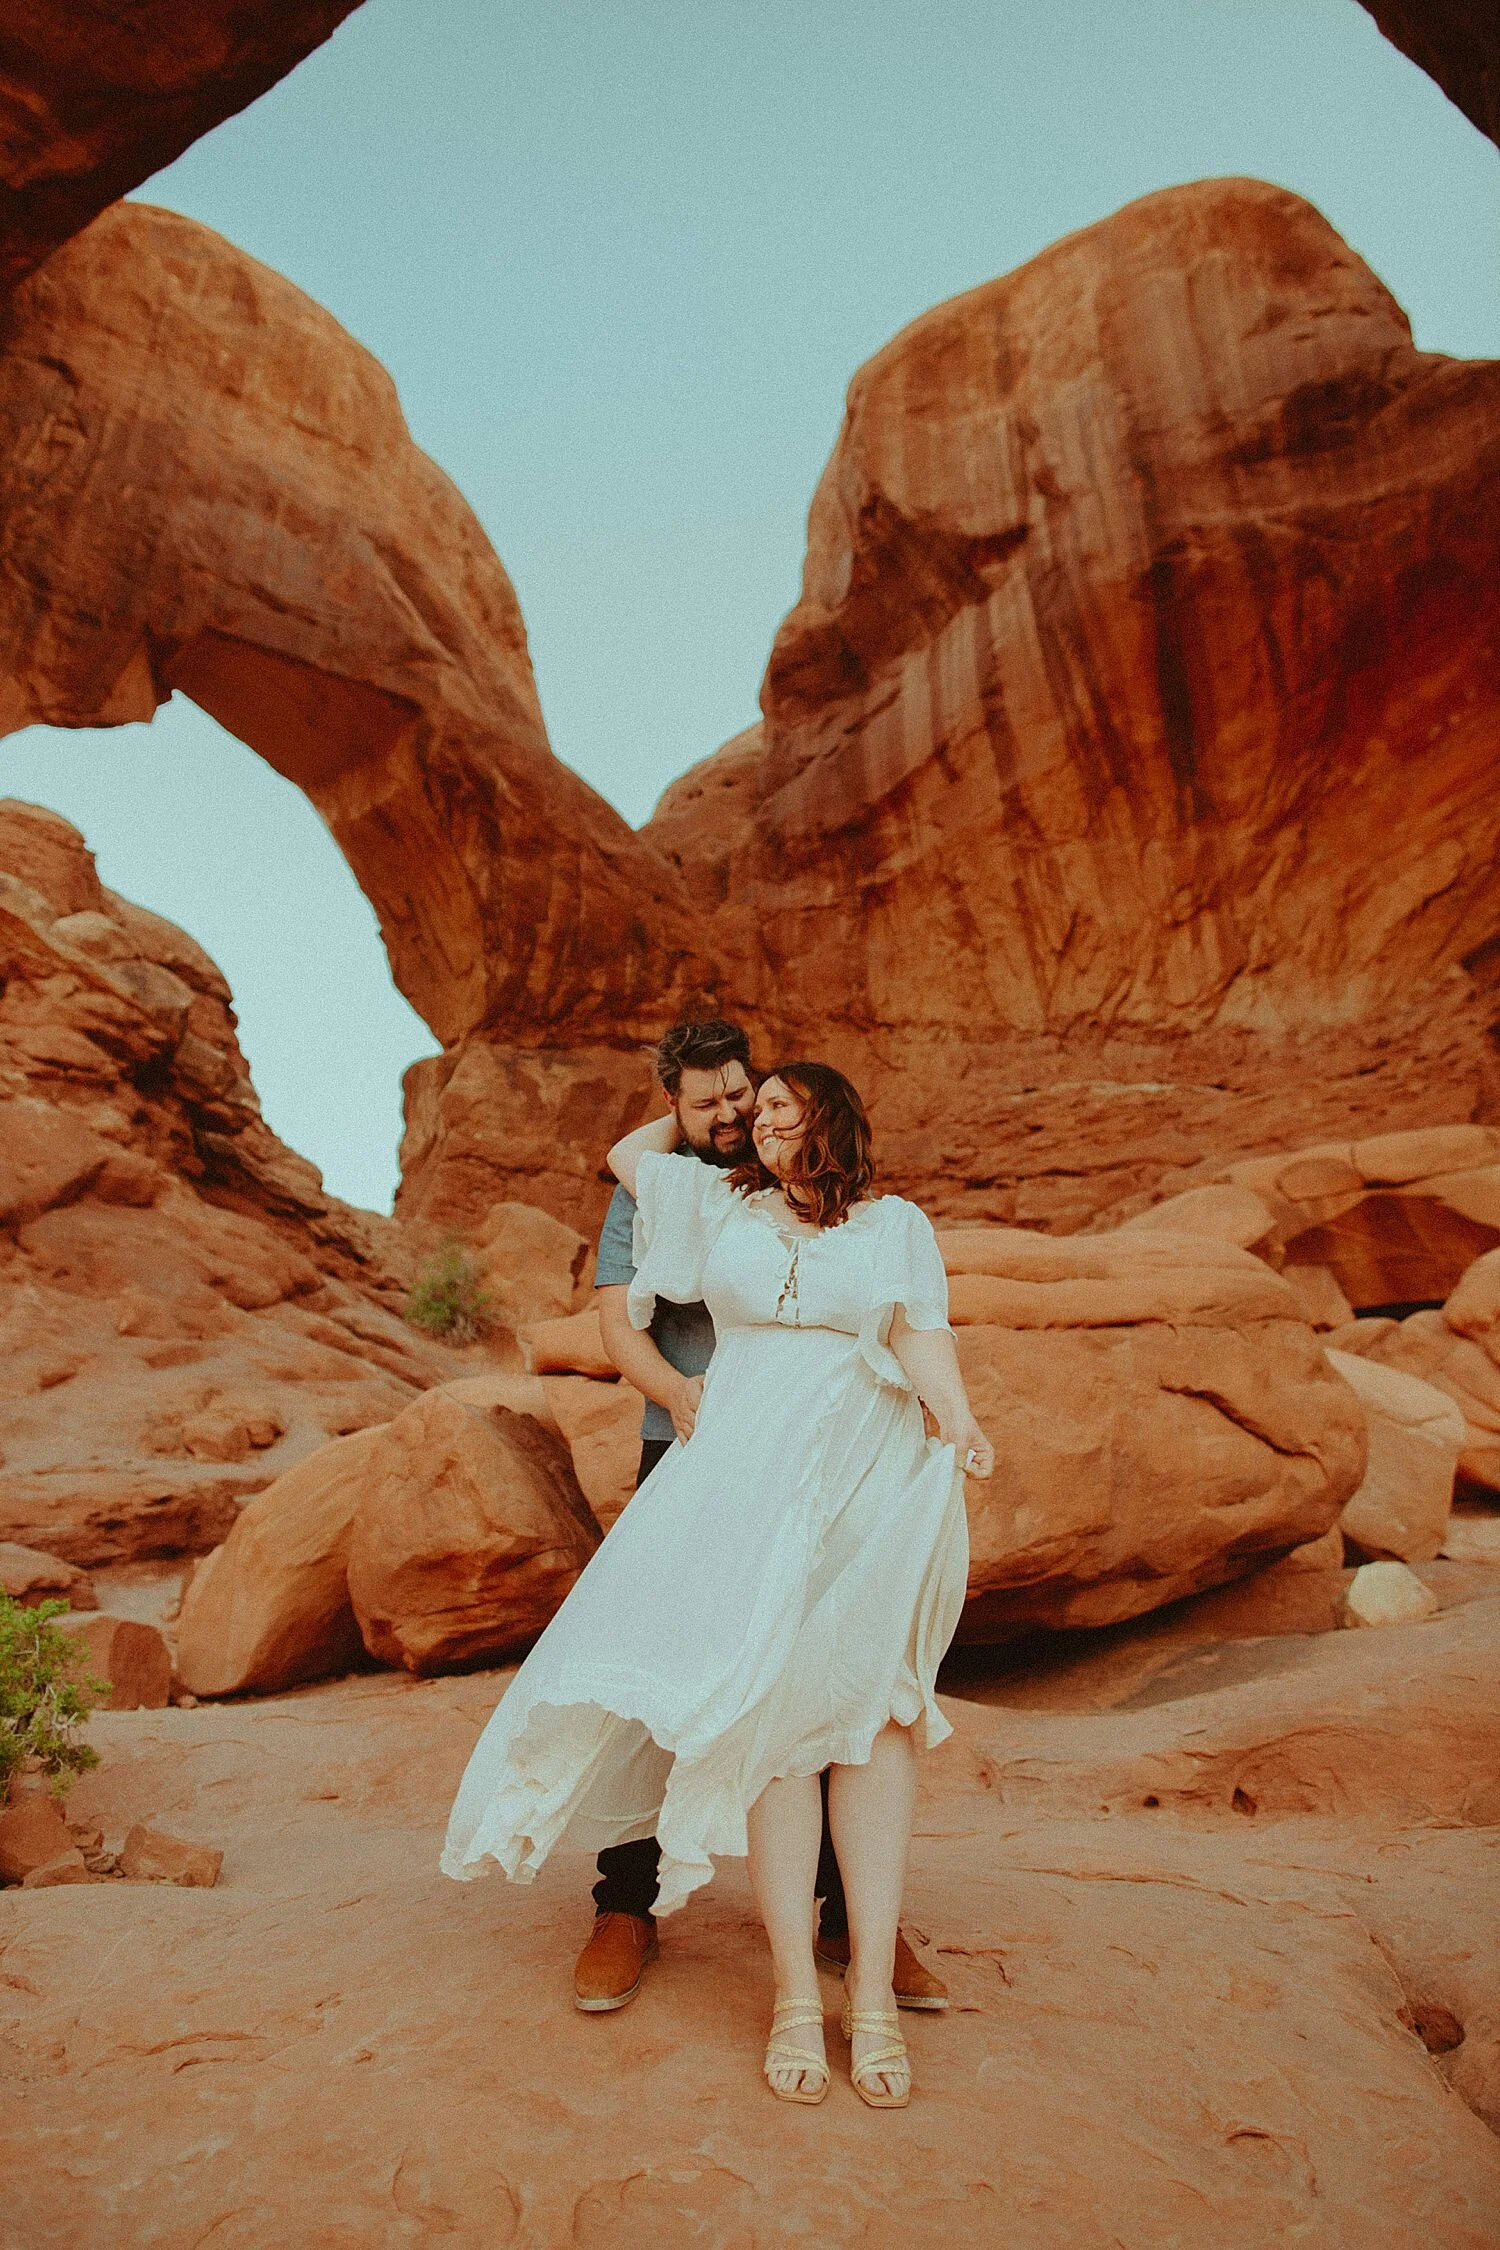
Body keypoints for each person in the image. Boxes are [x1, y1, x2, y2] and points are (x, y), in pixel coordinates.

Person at [443, 1060, 994, 2109]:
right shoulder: (717, 1205)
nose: (764, 1123)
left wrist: (960, 1421)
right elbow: (625, 1158)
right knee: (766, 1714)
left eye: (784, 1107)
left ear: (834, 1116)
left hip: (863, 1477)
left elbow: (923, 1333)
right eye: (756, 1112)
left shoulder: (896, 1226)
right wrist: (716, 1107)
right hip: (738, 1479)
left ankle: (869, 1986)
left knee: (873, 1715)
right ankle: (793, 1991)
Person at [577, 1018, 950, 2021]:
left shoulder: (805, 1183)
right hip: (694, 1448)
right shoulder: (663, 1188)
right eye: (710, 1102)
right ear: (677, 1110)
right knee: (667, 1661)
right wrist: (680, 1396)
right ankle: (628, 1901)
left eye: (746, 1093)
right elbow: (621, 1325)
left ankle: (846, 1916)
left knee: (818, 1665)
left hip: (818, 1461)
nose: (735, 1113)